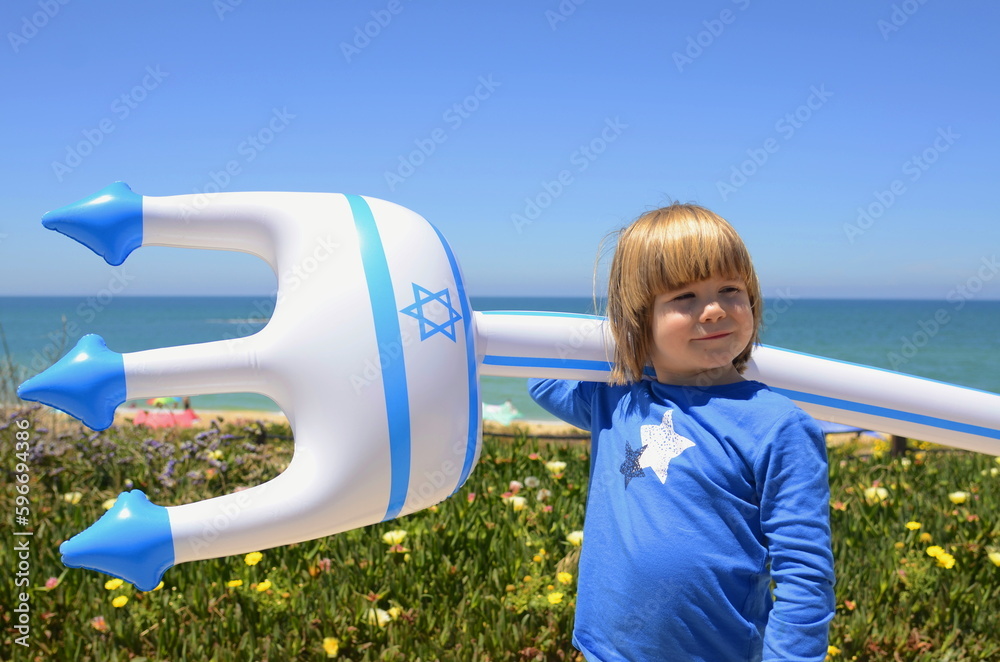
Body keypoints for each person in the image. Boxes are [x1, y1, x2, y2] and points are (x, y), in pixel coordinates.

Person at [528, 204, 835, 661]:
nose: (713, 310)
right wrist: (631, 343)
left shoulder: (776, 425)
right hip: (605, 650)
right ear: (638, 317)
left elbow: (805, 572)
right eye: (684, 297)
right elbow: (540, 374)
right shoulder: (617, 402)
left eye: (730, 289)